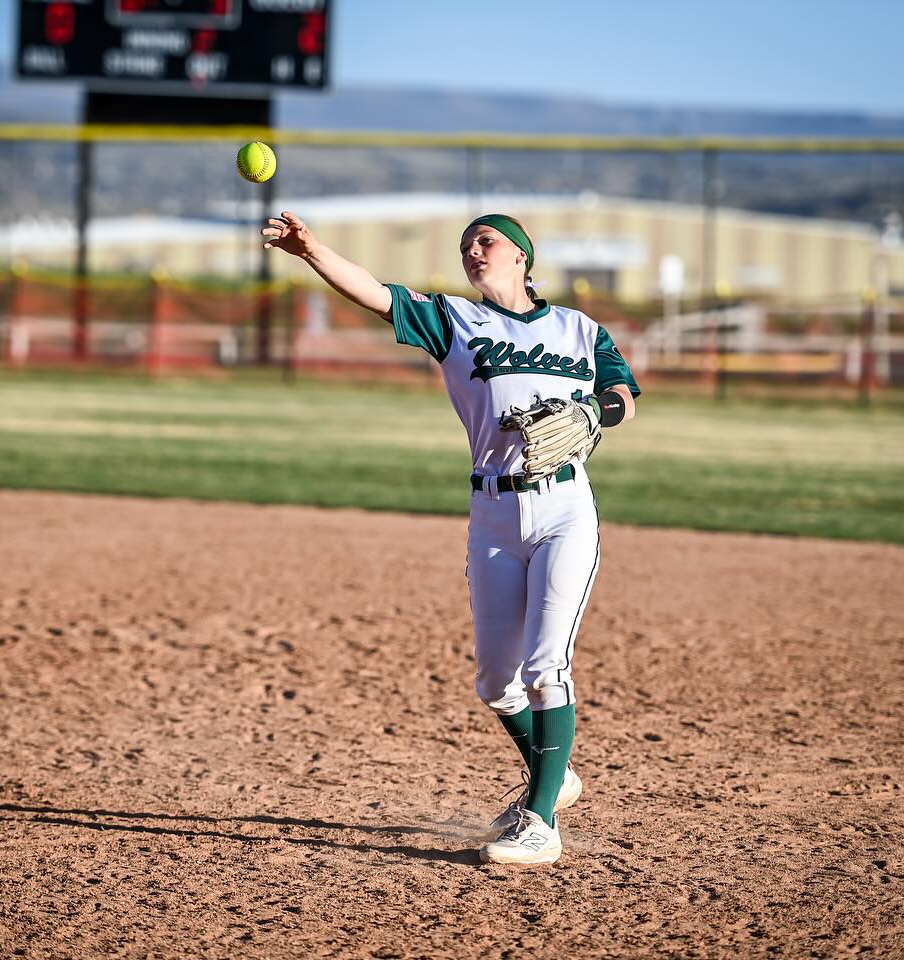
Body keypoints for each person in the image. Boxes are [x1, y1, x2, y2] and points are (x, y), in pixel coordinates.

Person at [262, 210, 640, 866]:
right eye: (466, 245)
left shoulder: (579, 329)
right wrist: (313, 250)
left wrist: (593, 412)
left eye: (486, 241)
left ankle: (540, 823)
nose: (473, 250)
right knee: (496, 683)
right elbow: (375, 293)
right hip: (492, 514)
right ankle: (555, 775)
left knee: (546, 667)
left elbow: (624, 395)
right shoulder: (454, 320)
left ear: (522, 257)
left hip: (564, 510)